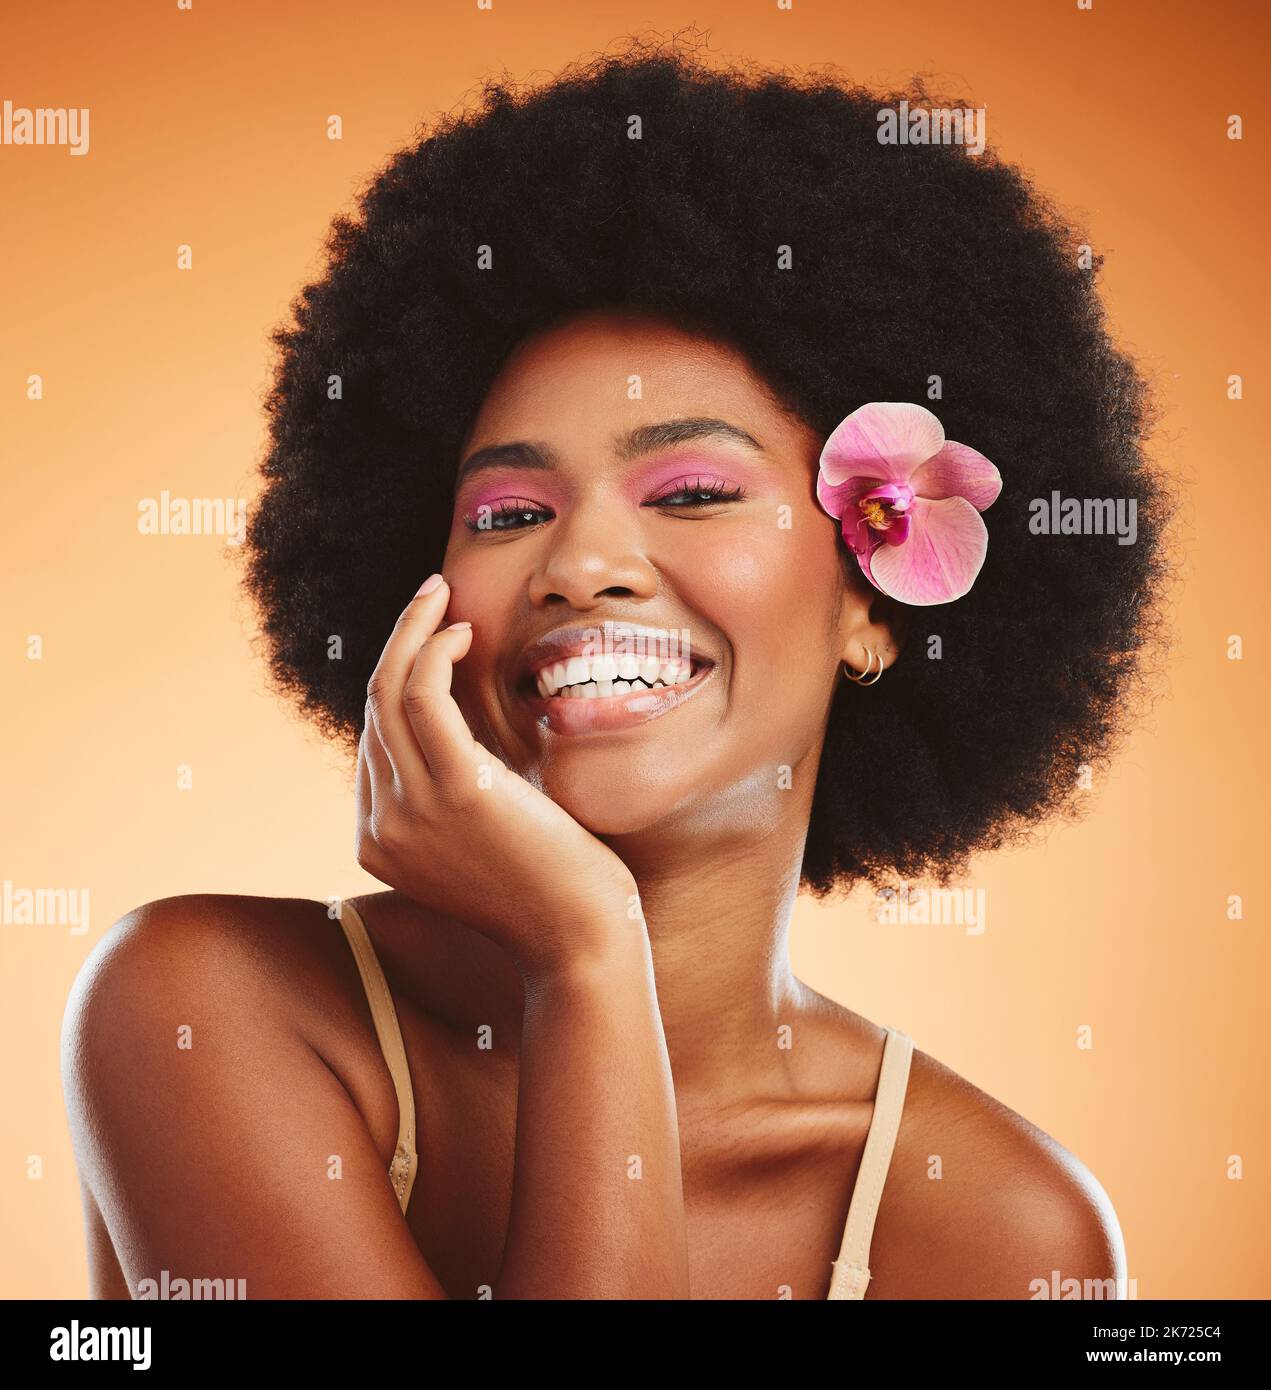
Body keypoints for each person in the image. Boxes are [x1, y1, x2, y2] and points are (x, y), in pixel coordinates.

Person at [61, 35, 1169, 1300]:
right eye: (506, 512)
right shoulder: (203, 1008)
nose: (579, 562)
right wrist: (587, 954)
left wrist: (583, 955)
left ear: (874, 600)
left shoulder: (1000, 1231)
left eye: (691, 489)